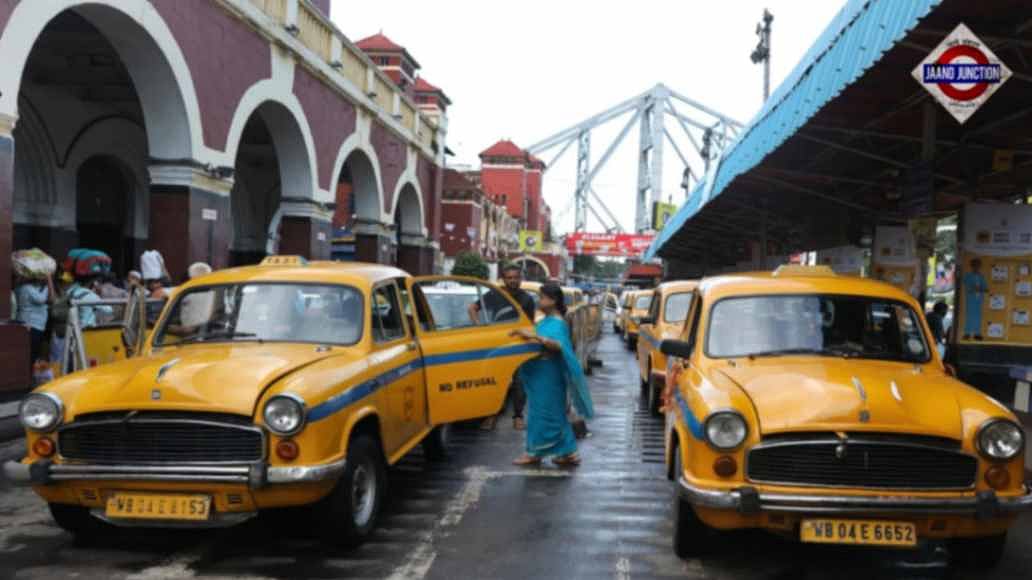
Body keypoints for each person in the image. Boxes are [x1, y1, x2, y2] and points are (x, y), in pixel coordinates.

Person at [510, 283, 594, 467]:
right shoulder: (545, 320)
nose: (539, 301)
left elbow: (558, 346)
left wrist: (536, 338)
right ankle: (569, 453)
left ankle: (534, 452)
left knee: (543, 413)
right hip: (541, 373)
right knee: (552, 413)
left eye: (542, 297)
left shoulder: (557, 322)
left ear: (553, 300)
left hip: (548, 374)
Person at [468, 264, 537, 430]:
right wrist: (480, 328)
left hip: (519, 346)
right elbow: (472, 308)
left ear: (520, 279)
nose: (513, 281)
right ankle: (491, 415)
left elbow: (530, 324)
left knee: (520, 382)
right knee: (495, 382)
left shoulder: (527, 299)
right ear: (504, 279)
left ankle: (518, 416)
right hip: (497, 345)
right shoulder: (494, 295)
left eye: (516, 277)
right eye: (509, 278)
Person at [14, 273, 54, 369]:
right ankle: (27, 377)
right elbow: (48, 299)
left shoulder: (21, 288)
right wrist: (49, 281)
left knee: (28, 353)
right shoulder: (28, 288)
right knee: (31, 353)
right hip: (32, 325)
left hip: (29, 323)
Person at [962, 258, 988, 340]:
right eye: (975, 266)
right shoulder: (968, 276)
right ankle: (967, 333)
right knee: (969, 315)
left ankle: (977, 333)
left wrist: (980, 289)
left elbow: (985, 288)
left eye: (978, 266)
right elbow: (968, 286)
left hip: (979, 299)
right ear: (972, 266)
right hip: (971, 299)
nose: (976, 267)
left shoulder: (981, 276)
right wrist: (976, 288)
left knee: (978, 316)